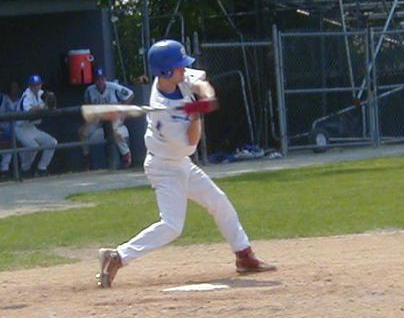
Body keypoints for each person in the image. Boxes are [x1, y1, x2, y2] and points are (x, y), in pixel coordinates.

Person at [97, 39, 275, 288]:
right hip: (165, 167)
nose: (183, 70)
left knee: (219, 202)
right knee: (172, 226)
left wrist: (203, 98)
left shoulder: (177, 78)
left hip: (179, 163)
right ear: (166, 72)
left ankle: (244, 256)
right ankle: (118, 256)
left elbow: (201, 83)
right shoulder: (164, 112)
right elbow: (192, 141)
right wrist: (195, 113)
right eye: (178, 67)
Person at [80, 67, 135, 169]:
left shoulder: (113, 87)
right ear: (94, 80)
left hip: (114, 115)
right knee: (83, 132)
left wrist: (122, 109)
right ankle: (86, 157)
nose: (100, 81)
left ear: (105, 78)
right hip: (99, 116)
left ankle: (126, 153)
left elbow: (130, 94)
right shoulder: (89, 90)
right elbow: (87, 103)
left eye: (101, 78)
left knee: (114, 129)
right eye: (97, 79)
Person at [14, 74, 58, 176]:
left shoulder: (41, 94)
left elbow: (52, 105)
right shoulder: (26, 96)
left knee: (52, 142)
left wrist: (51, 105)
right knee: (33, 146)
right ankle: (25, 170)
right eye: (34, 85)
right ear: (30, 86)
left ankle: (42, 168)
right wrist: (44, 108)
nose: (36, 87)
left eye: (38, 84)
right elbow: (30, 110)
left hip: (32, 127)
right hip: (21, 128)